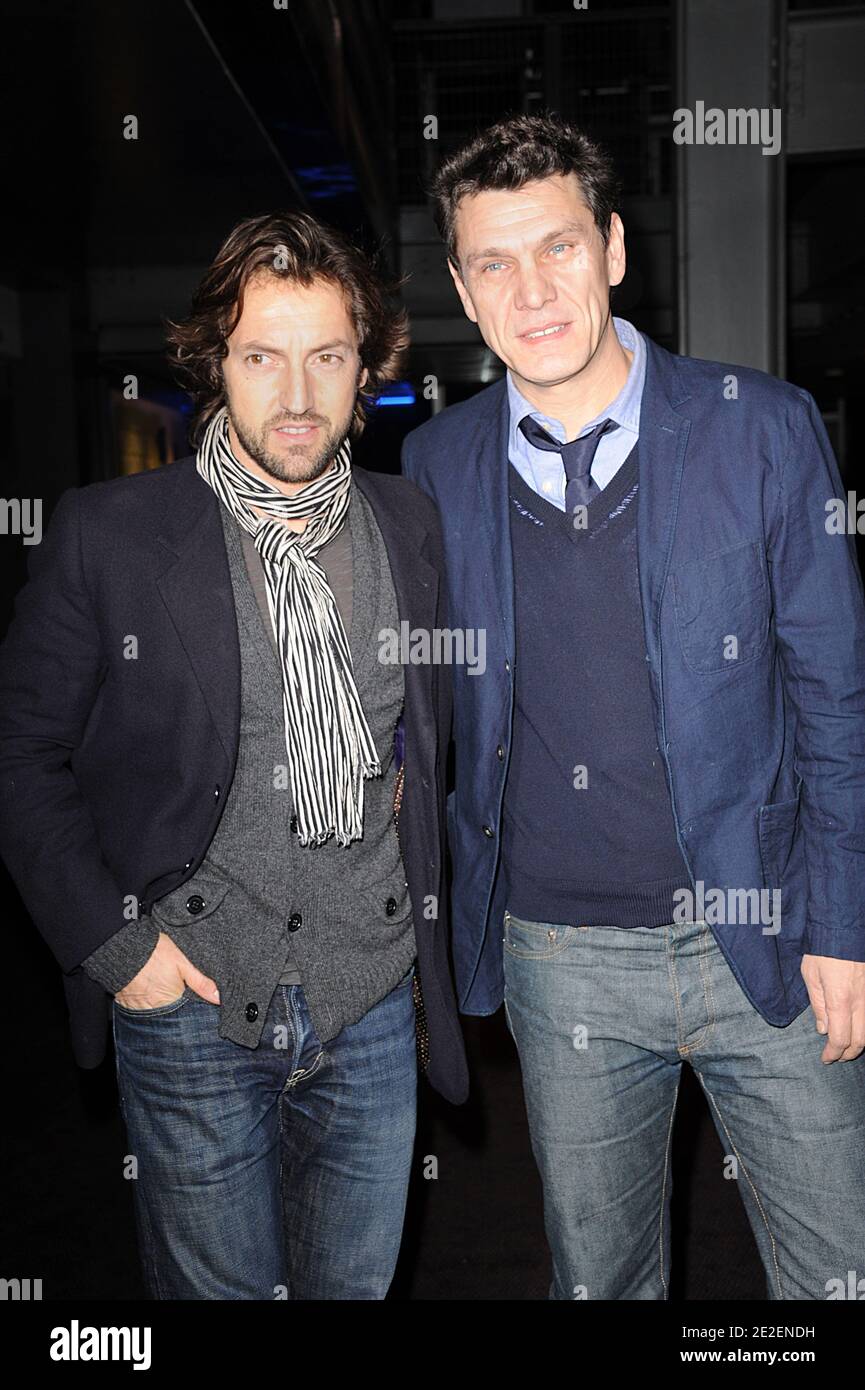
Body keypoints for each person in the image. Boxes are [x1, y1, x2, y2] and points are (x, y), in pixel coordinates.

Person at [402, 112, 865, 1300]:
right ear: (461, 285)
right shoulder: (434, 467)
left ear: (613, 247)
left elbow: (834, 696)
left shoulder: (758, 426)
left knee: (835, 1279)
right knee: (600, 1283)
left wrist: (844, 922)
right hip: (559, 956)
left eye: (557, 247)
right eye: (493, 262)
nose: (532, 288)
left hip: (761, 933)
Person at [0, 210, 467, 1300]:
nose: (297, 395)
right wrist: (121, 952)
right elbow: (21, 754)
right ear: (215, 362)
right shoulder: (109, 533)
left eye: (327, 357)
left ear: (368, 368)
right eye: (262, 356)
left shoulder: (413, 527)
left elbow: (438, 730)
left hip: (371, 1005)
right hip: (192, 1007)